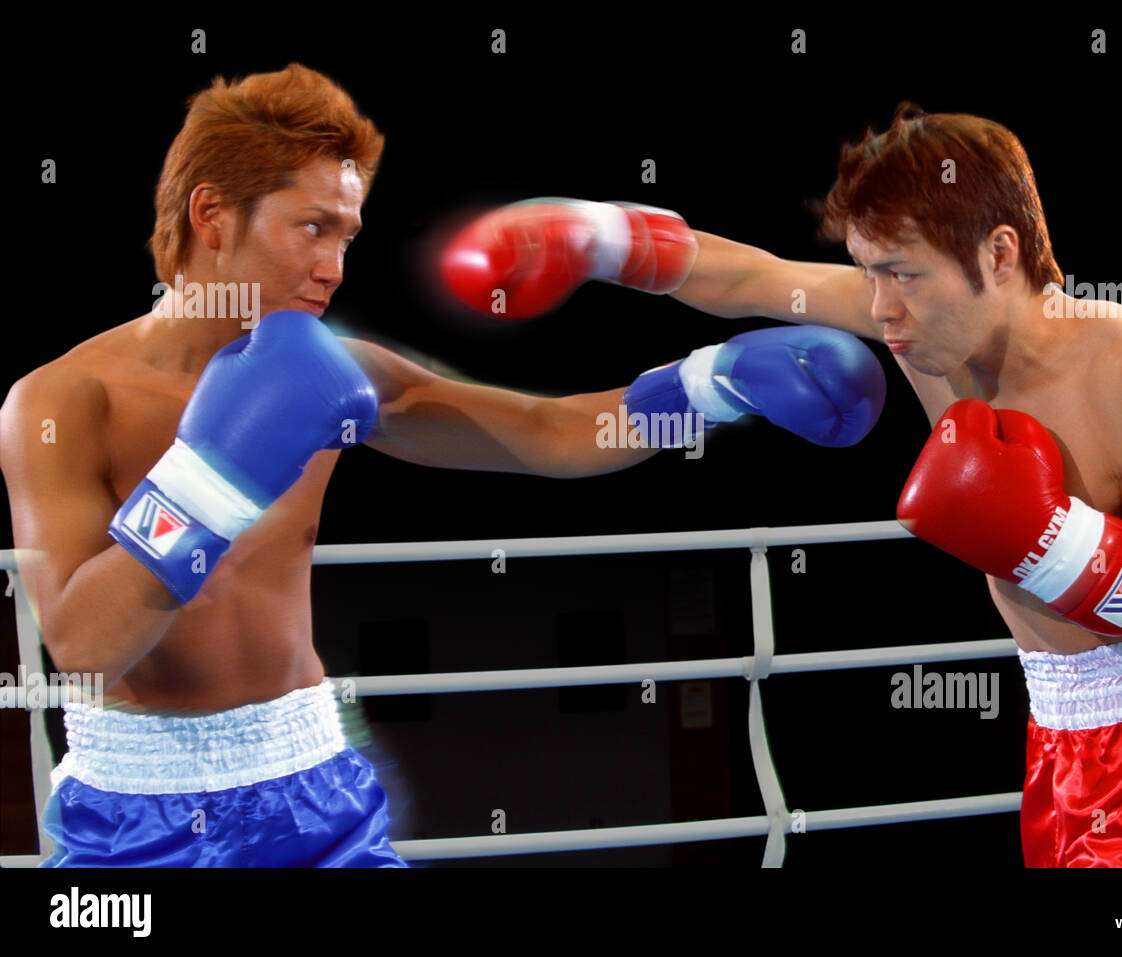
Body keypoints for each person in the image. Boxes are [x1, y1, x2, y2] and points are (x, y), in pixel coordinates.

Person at [0, 64, 886, 867]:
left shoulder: (336, 370)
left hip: (316, 790)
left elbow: (546, 433)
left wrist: (715, 385)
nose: (333, 267)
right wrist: (214, 473)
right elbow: (80, 647)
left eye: (347, 234)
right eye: (311, 227)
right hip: (136, 819)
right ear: (212, 215)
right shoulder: (64, 401)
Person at [440, 102, 1122, 867]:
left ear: (999, 252)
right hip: (1058, 737)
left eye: (902, 274)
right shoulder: (927, 325)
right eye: (866, 270)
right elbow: (747, 276)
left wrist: (1059, 544)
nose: (879, 309)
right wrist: (595, 237)